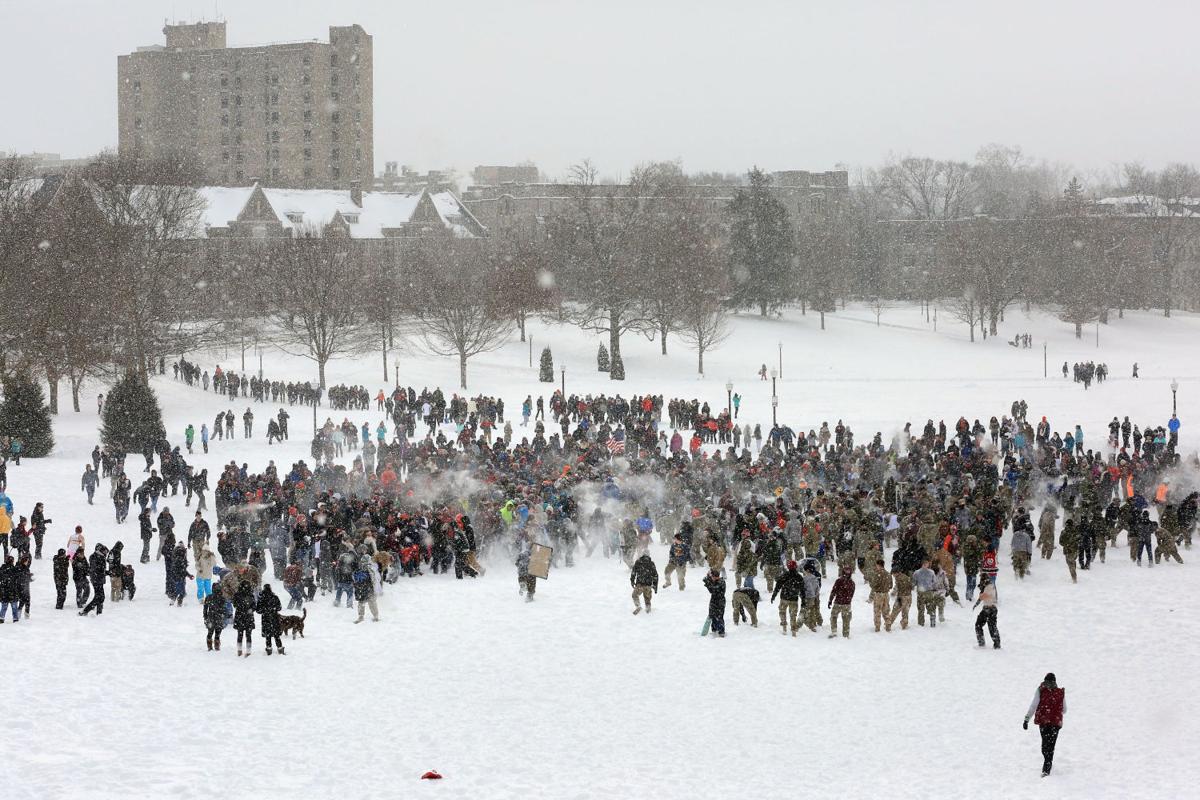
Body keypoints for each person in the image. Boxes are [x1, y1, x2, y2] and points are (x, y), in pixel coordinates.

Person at [1024, 673, 1066, 777]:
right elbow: (1064, 710)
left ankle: (1046, 769)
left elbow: (1034, 705)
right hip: (1055, 723)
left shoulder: (1041, 690)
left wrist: (1026, 719)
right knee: (1050, 746)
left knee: (1046, 746)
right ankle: (1048, 764)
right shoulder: (1059, 693)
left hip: (1045, 722)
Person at [771, 559, 803, 635]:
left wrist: (774, 595)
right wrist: (803, 600)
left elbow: (778, 586)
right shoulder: (799, 577)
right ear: (796, 567)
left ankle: (784, 627)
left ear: (788, 567)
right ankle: (793, 631)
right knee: (793, 615)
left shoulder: (784, 575)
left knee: (782, 612)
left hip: (784, 598)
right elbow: (802, 590)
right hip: (794, 599)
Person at [828, 564, 855, 638]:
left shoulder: (839, 581)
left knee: (833, 617)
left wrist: (830, 600)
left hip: (838, 603)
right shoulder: (852, 583)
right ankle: (846, 635)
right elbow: (852, 594)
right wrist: (848, 599)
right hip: (847, 604)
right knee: (846, 620)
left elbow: (834, 591)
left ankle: (834, 631)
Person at [257, 584, 286, 654]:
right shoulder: (275, 597)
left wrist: (265, 610)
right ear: (270, 589)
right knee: (276, 635)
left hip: (265, 618)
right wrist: (273, 609)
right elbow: (279, 608)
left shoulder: (261, 599)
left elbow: (258, 610)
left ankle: (269, 649)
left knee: (268, 635)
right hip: (274, 617)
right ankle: (280, 648)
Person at [973, 574, 1000, 649]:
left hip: (991, 609)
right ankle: (981, 643)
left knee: (992, 628)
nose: (981, 581)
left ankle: (997, 645)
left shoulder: (989, 586)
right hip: (986, 608)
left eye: (981, 579)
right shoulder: (987, 586)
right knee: (978, 625)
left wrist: (981, 590)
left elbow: (983, 597)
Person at [232, 580, 256, 656]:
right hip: (249, 617)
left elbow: (235, 605)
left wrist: (241, 608)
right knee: (248, 635)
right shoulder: (251, 595)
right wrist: (250, 610)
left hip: (240, 616)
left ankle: (239, 650)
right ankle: (248, 651)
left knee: (240, 634)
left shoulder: (237, 594)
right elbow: (254, 606)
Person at [703, 568, 726, 637]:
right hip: (713, 601)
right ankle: (714, 629)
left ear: (715, 576)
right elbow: (711, 587)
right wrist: (708, 579)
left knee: (719, 617)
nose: (711, 578)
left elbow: (713, 590)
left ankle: (721, 632)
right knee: (712, 616)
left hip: (720, 602)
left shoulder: (721, 582)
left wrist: (707, 584)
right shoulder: (714, 580)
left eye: (712, 577)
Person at [203, 582, 225, 651]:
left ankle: (210, 646)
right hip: (218, 617)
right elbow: (224, 609)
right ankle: (216, 645)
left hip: (211, 617)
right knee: (217, 633)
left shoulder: (209, 597)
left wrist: (205, 616)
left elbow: (205, 608)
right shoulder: (222, 598)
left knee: (210, 632)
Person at [0, 555, 18, 622]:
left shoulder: (3, 568)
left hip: (5, 590)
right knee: (13, 606)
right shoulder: (13, 569)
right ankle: (15, 619)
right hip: (10, 590)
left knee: (5, 606)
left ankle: (1, 618)